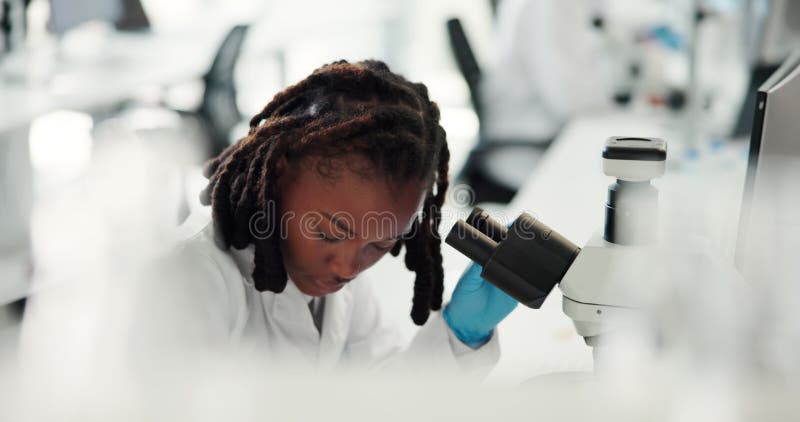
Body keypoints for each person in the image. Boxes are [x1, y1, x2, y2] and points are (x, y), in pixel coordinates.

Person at [125, 60, 517, 375]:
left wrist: (462, 334)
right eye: (330, 232)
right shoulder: (190, 280)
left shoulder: (333, 271)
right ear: (279, 172)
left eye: (381, 243)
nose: (349, 267)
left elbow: (387, 400)